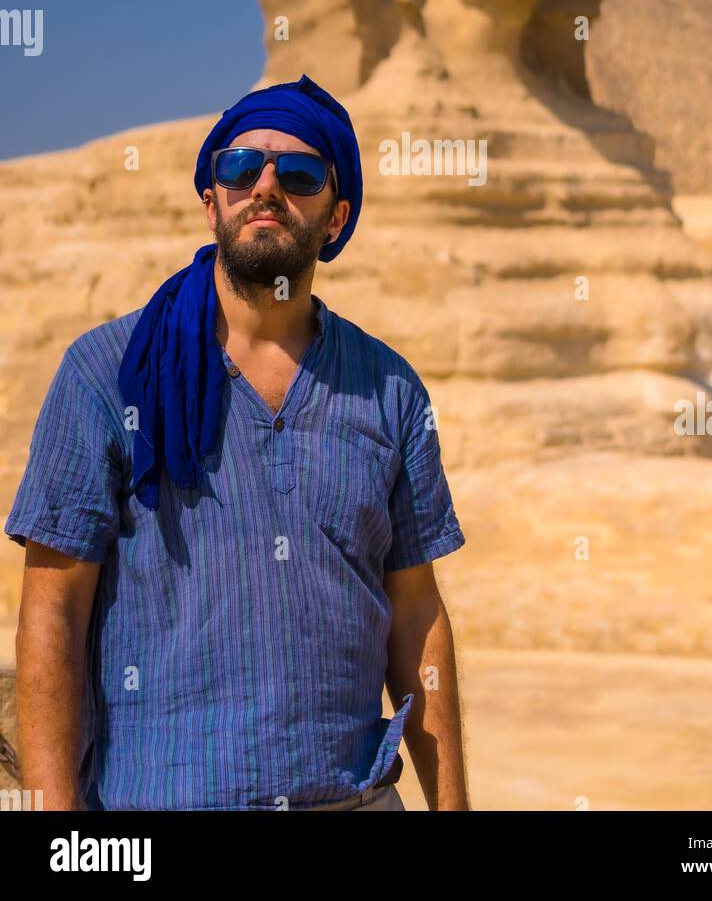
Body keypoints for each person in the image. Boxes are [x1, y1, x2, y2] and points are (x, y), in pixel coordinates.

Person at [5, 74, 469, 811]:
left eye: (301, 173)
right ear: (210, 197)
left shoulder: (390, 391)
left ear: (336, 215)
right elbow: (51, 611)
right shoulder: (108, 375)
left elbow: (415, 613)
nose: (266, 186)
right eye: (238, 167)